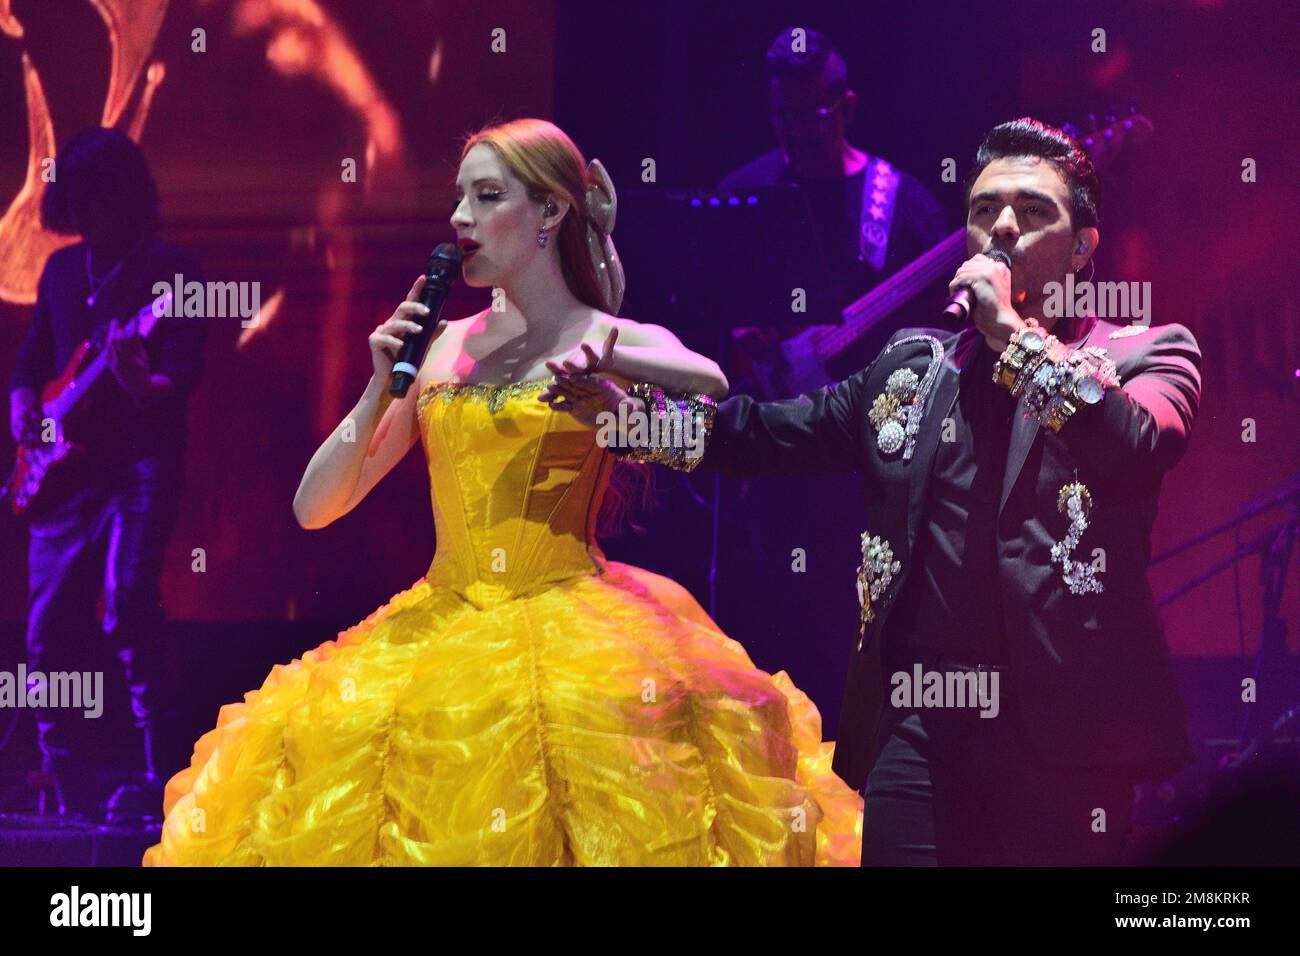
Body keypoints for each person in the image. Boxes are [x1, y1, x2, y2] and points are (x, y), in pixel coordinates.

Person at [142, 118, 862, 866]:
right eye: (460, 198)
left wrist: (606, 353)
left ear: (550, 211)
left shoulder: (601, 334)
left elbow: (708, 378)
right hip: (444, 610)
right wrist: (374, 390)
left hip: (575, 618)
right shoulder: (441, 345)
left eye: (488, 197)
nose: (461, 218)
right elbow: (314, 507)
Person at [549, 118, 1201, 865]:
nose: (1002, 228)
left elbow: (1137, 445)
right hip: (920, 723)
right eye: (984, 209)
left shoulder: (1145, 351)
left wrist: (1013, 337)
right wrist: (631, 424)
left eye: (1033, 210)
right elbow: (758, 434)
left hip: (1065, 734)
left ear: (1084, 248)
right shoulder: (910, 370)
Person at [7, 126, 208, 822]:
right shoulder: (63, 271)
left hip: (139, 465)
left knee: (128, 605)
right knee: (46, 632)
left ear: (127, 196)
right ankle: (68, 793)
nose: (88, 214)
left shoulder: (172, 274)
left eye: (100, 198)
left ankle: (163, 783)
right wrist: (26, 412)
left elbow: (178, 380)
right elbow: (33, 366)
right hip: (64, 477)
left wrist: (140, 378)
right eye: (78, 200)